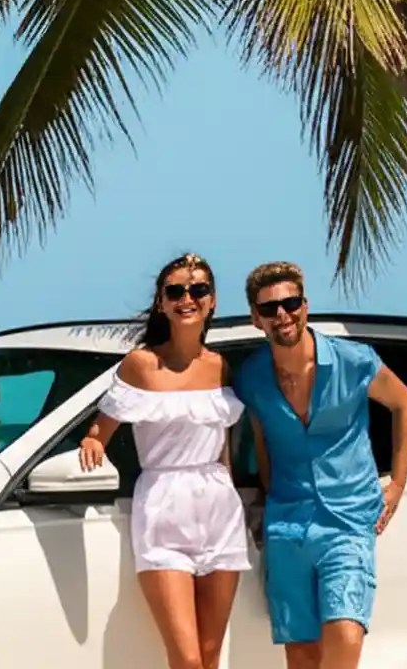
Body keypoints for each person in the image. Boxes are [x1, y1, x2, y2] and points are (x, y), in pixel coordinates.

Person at [233, 261, 407, 669]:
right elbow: (261, 440)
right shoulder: (252, 378)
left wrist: (398, 484)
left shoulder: (353, 362)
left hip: (349, 519)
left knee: (346, 634)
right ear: (256, 318)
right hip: (288, 523)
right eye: (270, 308)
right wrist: (264, 498)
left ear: (305, 305)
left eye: (290, 302)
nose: (282, 314)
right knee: (301, 655)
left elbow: (405, 403)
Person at [79, 252, 250, 669]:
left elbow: (223, 441)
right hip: (163, 504)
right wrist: (92, 443)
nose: (186, 298)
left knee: (211, 656)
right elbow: (101, 429)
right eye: (175, 291)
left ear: (212, 301)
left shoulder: (221, 367)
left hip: (218, 505)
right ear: (161, 302)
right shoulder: (141, 364)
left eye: (198, 290)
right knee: (187, 659)